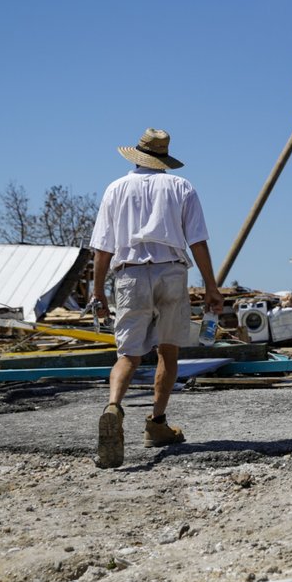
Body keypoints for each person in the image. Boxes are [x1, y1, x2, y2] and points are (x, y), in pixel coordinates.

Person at [89, 128, 224, 469]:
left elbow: (103, 248)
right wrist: (211, 286)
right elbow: (198, 241)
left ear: (136, 155)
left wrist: (97, 291)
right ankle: (156, 424)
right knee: (168, 351)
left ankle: (114, 407)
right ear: (164, 159)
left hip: (130, 274)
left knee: (128, 355)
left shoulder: (115, 189)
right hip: (171, 272)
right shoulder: (181, 187)